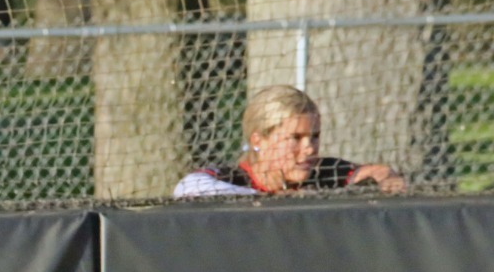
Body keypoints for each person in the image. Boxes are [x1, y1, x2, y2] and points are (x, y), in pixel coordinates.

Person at [174, 85, 407, 199]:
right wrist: (271, 200)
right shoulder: (234, 178)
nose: (309, 148)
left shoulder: (323, 171)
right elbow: (186, 187)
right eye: (295, 138)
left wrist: (384, 178)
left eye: (314, 136)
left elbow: (372, 173)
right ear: (259, 140)